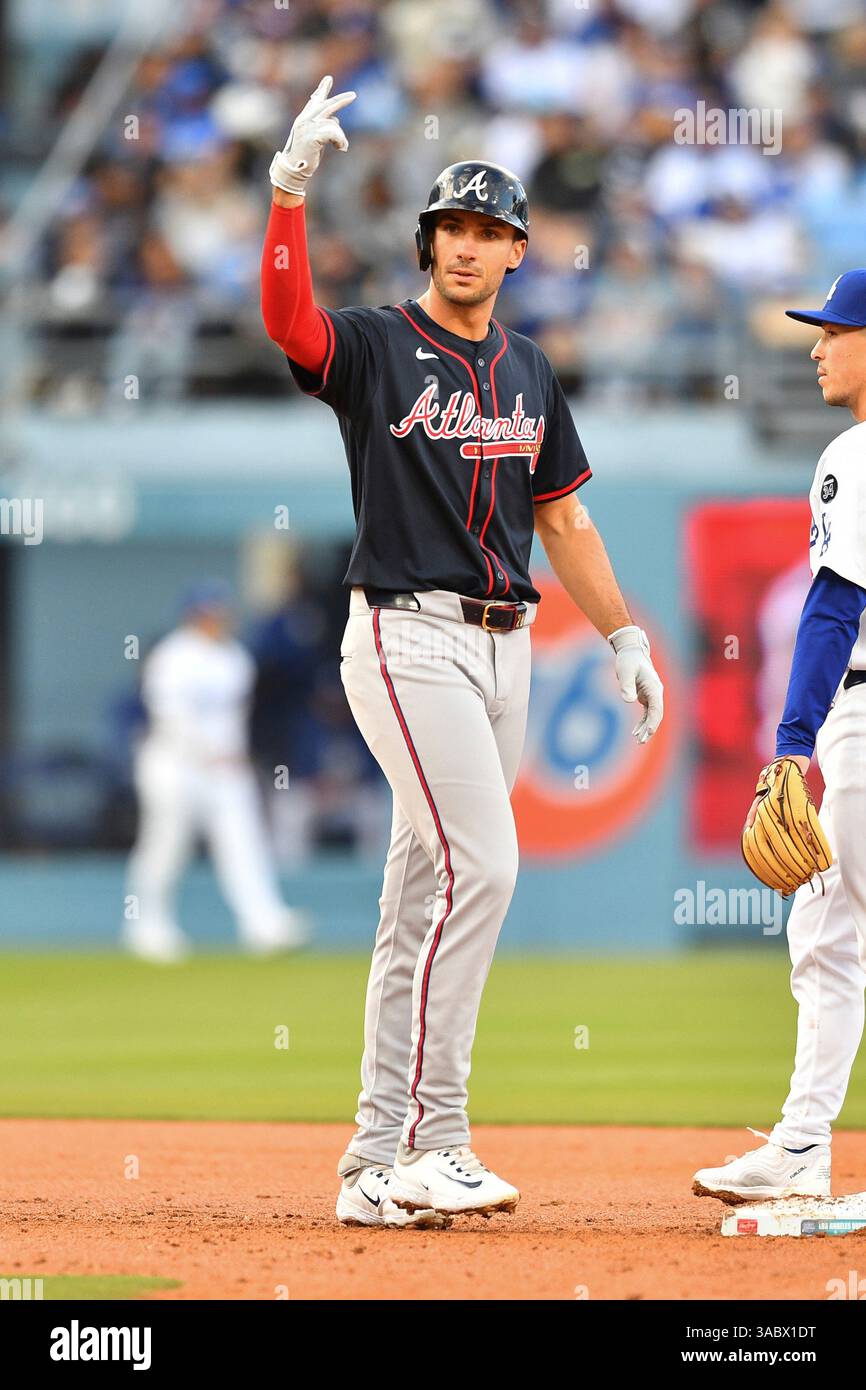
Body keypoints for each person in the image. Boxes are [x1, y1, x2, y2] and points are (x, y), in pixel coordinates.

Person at [261, 77, 664, 1228]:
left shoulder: (530, 371)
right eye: (453, 227)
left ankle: (368, 1162)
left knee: (418, 896)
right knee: (484, 867)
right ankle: (438, 1136)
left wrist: (624, 632)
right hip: (404, 635)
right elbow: (291, 325)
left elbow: (564, 520)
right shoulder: (382, 346)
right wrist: (288, 190)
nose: (469, 246)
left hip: (508, 647)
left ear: (517, 252)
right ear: (426, 239)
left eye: (491, 232)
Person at [693, 270, 866, 1204]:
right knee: (825, 932)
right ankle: (802, 1146)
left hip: (861, 719)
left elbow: (837, 604)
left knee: (842, 927)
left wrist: (794, 739)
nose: (816, 345)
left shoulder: (858, 452)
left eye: (836, 330)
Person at [122, 579, 311, 963]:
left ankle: (264, 923)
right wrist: (209, 753)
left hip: (225, 768)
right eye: (208, 612)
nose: (216, 619)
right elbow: (169, 717)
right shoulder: (172, 656)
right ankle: (147, 925)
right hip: (174, 764)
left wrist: (233, 756)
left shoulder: (234, 658)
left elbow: (235, 718)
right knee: (166, 845)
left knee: (244, 843)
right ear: (193, 615)